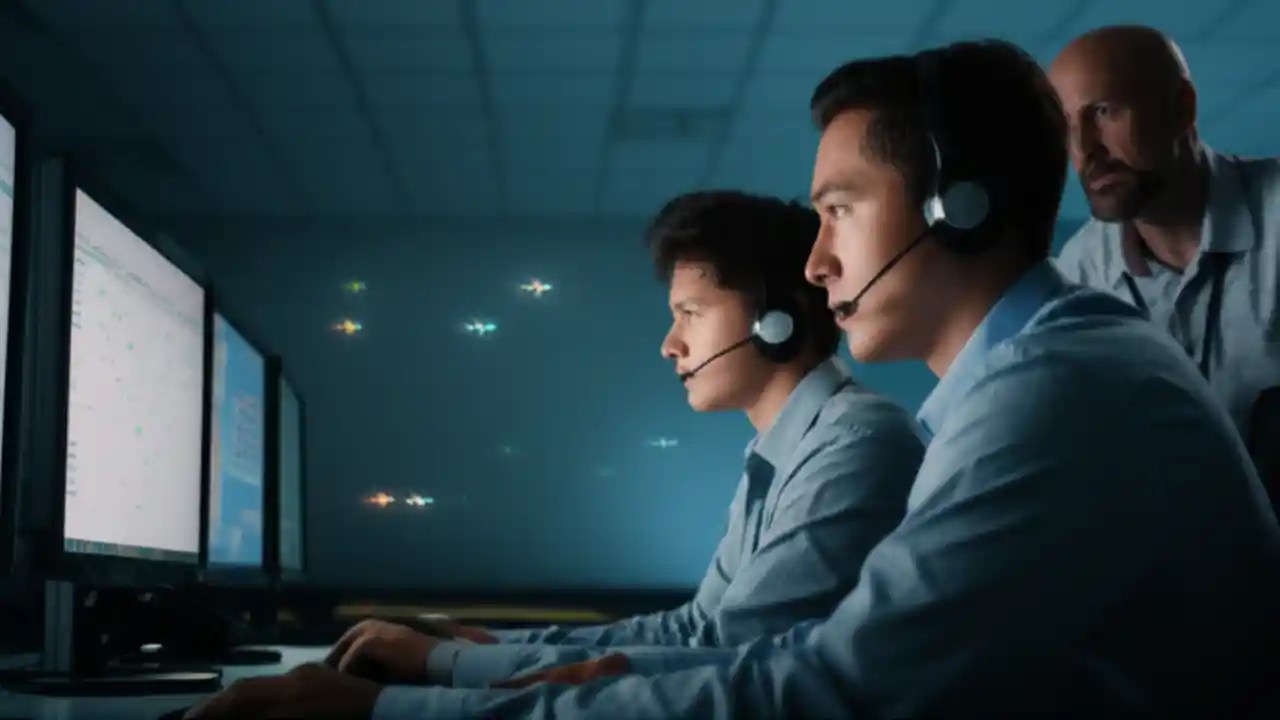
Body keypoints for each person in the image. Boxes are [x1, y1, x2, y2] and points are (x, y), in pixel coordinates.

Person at [186, 39, 1280, 720]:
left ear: (958, 209)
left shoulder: (1052, 387)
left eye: (839, 211)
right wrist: (534, 672)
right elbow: (809, 656)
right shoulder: (1039, 373)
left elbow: (837, 692)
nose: (817, 262)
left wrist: (390, 708)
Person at [1050, 25, 1280, 504]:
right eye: (1067, 126)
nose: (1085, 149)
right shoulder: (1079, 274)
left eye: (1105, 112)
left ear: (1182, 108)